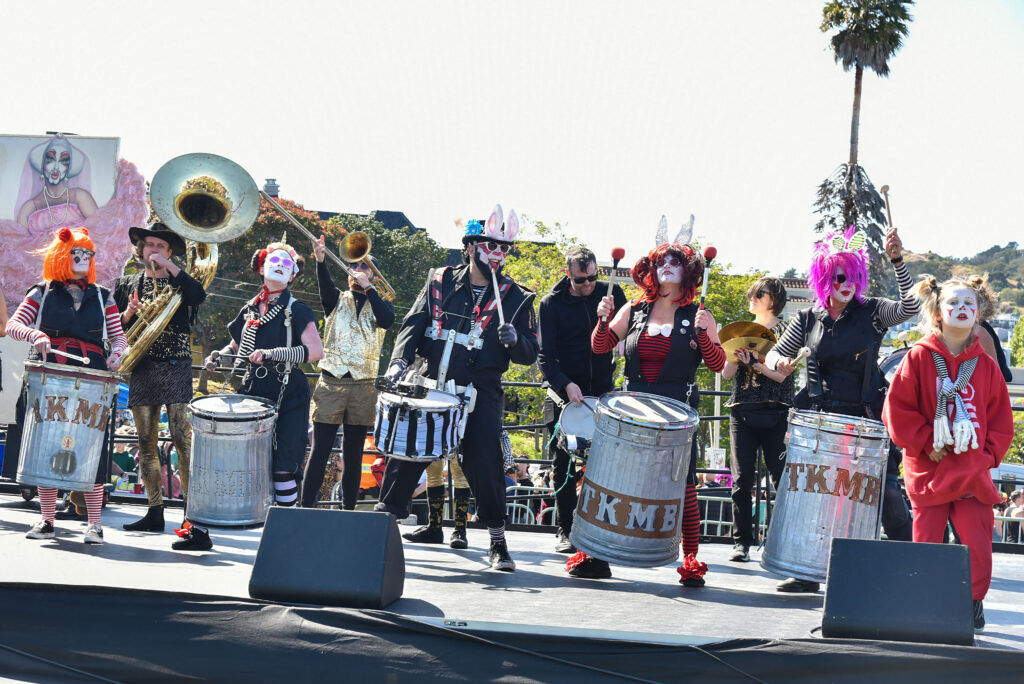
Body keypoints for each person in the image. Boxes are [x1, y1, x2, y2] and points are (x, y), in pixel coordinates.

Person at [373, 205, 538, 571]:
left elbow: (531, 353)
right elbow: (411, 326)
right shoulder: (440, 281)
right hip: (431, 386)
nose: (497, 255)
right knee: (406, 455)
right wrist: (399, 363)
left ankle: (497, 542)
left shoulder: (518, 297)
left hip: (481, 393)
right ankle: (380, 533)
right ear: (471, 246)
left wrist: (516, 341)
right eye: (490, 246)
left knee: (486, 463)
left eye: (504, 248)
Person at [765, 225, 918, 593]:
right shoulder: (808, 318)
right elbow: (776, 352)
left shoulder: (874, 312)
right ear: (823, 278)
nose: (846, 283)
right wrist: (779, 363)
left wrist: (897, 260)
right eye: (838, 276)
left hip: (865, 417)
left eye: (853, 276)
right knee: (814, 494)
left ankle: (912, 570)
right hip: (819, 418)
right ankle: (807, 571)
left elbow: (911, 306)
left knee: (887, 496)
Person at [585, 223, 726, 585]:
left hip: (676, 408)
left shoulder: (699, 313)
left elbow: (718, 363)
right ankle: (596, 552)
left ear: (688, 271)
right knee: (612, 475)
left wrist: (703, 334)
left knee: (684, 484)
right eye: (661, 260)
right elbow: (600, 347)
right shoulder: (634, 308)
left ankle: (691, 559)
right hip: (633, 407)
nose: (667, 265)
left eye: (675, 261)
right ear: (651, 267)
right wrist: (602, 319)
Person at [882, 275, 1013, 631]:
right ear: (937, 312)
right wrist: (927, 441)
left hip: (971, 470)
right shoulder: (919, 358)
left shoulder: (985, 366)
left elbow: (1002, 420)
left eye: (969, 304)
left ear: (979, 314)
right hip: (930, 465)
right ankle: (926, 600)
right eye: (953, 303)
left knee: (977, 539)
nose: (962, 309)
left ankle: (972, 601)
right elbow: (898, 408)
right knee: (927, 540)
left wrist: (986, 457)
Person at [5, 227, 127, 544]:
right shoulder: (42, 291)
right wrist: (36, 335)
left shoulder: (103, 296)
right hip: (48, 372)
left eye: (89, 254)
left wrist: (116, 354)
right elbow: (14, 325)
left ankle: (95, 524)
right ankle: (47, 520)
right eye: (78, 253)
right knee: (46, 441)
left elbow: (119, 337)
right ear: (63, 255)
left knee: (92, 447)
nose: (84, 259)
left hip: (91, 377)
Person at [204, 240, 324, 513]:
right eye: (275, 261)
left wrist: (272, 353)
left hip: (287, 390)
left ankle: (286, 523)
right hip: (253, 389)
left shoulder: (298, 309)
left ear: (293, 274)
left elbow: (315, 352)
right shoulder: (248, 308)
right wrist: (217, 357)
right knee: (247, 461)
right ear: (262, 267)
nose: (280, 267)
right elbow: (235, 346)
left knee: (283, 465)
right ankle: (247, 515)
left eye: (286, 264)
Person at [115, 223, 207, 532]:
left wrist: (170, 268)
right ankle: (154, 511)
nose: (152, 249)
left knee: (182, 438)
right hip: (142, 367)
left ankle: (190, 514)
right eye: (148, 244)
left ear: (170, 252)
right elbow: (113, 326)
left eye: (160, 246)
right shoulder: (127, 283)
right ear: (140, 249)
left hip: (176, 364)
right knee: (146, 441)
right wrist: (128, 314)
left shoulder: (181, 283)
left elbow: (199, 296)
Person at [537, 245, 626, 553]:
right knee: (562, 463)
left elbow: (626, 332)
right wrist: (565, 384)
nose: (588, 285)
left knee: (603, 465)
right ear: (568, 275)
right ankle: (565, 529)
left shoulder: (610, 295)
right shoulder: (551, 304)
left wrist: (620, 336)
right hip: (564, 392)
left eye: (592, 277)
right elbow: (545, 358)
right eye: (580, 280)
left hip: (602, 392)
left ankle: (597, 528)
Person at [300, 235, 394, 510]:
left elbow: (387, 320)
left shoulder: (382, 303)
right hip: (331, 381)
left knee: (353, 454)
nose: (358, 270)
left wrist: (370, 289)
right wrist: (320, 260)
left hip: (364, 386)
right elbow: (325, 288)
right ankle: (306, 507)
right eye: (356, 266)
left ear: (375, 277)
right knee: (320, 449)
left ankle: (348, 509)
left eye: (366, 268)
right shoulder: (337, 299)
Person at [721, 277, 795, 562]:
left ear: (773, 298)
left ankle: (777, 542)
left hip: (776, 410)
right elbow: (726, 374)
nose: (751, 297)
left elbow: (782, 375)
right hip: (742, 410)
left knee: (780, 479)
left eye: (758, 293)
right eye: (751, 293)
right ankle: (741, 544)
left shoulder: (787, 331)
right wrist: (734, 355)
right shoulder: (741, 330)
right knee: (741, 479)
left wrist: (757, 364)